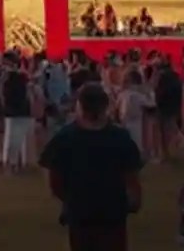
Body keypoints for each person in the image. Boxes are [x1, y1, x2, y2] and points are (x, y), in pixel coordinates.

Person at [40, 82, 143, 251]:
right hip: (113, 211)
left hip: (80, 211)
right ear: (105, 106)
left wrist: (67, 199)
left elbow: (54, 179)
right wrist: (134, 201)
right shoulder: (120, 137)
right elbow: (132, 177)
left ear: (79, 106)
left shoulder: (66, 138)